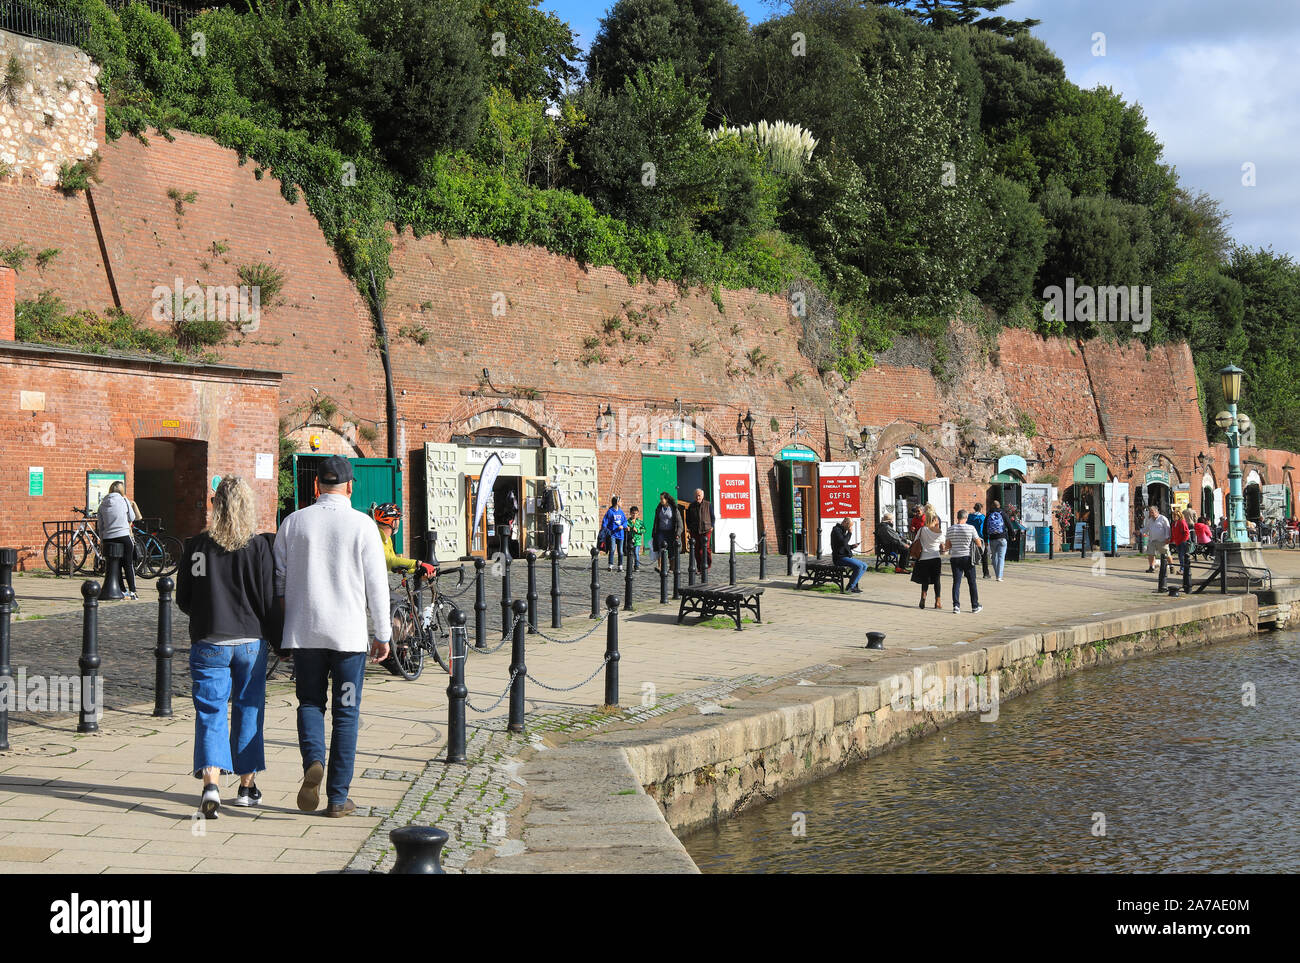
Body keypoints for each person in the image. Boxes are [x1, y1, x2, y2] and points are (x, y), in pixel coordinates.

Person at [274, 456, 391, 818]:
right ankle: (338, 797)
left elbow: (278, 579)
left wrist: (283, 627)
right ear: (351, 486)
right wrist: (383, 633)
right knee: (346, 714)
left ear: (316, 486)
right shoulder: (363, 526)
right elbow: (377, 585)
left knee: (309, 703)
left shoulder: (293, 523)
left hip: (306, 634)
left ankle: (313, 760)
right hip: (348, 641)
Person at [177, 476, 279, 817]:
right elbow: (267, 599)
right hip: (250, 641)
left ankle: (211, 783)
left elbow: (184, 599)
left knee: (211, 712)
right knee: (249, 709)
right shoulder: (259, 547)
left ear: (214, 505)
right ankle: (247, 787)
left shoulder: (196, 547)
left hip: (209, 640)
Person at [96, 481, 138, 600]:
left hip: (109, 538)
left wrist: (102, 540)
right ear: (122, 491)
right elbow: (132, 517)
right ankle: (133, 592)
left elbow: (101, 526)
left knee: (116, 565)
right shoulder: (124, 500)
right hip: (123, 535)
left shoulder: (102, 504)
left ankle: (122, 590)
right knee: (128, 564)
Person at [370, 503, 436, 577]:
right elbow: (388, 561)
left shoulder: (387, 538)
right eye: (398, 519)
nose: (399, 522)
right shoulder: (376, 537)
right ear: (392, 522)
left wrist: (418, 570)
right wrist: (418, 563)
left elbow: (394, 563)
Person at [944, 509, 984, 615]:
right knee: (972, 582)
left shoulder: (950, 529)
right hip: (967, 558)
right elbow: (978, 541)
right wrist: (980, 551)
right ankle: (975, 606)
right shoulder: (971, 528)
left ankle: (956, 606)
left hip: (955, 557)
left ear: (957, 517)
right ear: (966, 518)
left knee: (956, 582)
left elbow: (947, 546)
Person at [910, 509, 944, 609]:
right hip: (935, 557)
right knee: (937, 580)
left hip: (924, 558)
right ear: (935, 520)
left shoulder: (922, 529)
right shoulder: (939, 531)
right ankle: (937, 601)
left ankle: (923, 597)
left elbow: (916, 540)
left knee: (925, 580)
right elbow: (943, 546)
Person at [830, 517, 867, 593]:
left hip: (845, 556)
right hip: (839, 558)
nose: (850, 528)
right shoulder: (836, 530)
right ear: (845, 523)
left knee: (864, 565)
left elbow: (843, 544)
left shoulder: (842, 531)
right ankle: (850, 587)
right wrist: (850, 533)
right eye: (850, 525)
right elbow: (843, 542)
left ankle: (852, 585)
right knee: (859, 566)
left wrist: (852, 546)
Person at [651, 491, 683, 572]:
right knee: (660, 548)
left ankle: (671, 567)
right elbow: (656, 521)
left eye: (662, 499)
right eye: (660, 499)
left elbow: (679, 523)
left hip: (671, 532)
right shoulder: (658, 509)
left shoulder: (674, 509)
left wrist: (678, 533)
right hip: (661, 531)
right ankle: (660, 566)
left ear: (667, 499)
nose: (661, 500)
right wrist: (654, 532)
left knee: (671, 550)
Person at [685, 488, 715, 576]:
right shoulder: (691, 506)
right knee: (697, 550)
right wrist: (690, 527)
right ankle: (699, 567)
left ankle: (707, 566)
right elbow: (688, 519)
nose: (698, 497)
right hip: (695, 530)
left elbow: (712, 516)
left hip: (706, 529)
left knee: (706, 548)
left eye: (699, 495)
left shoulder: (708, 504)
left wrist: (712, 526)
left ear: (702, 496)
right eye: (696, 495)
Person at [599, 496, 628, 571]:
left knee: (620, 551)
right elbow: (605, 521)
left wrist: (623, 526)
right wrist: (604, 530)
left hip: (620, 535)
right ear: (617, 503)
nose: (622, 503)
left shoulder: (621, 512)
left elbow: (625, 521)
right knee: (612, 549)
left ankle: (620, 565)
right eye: (620, 501)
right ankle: (610, 565)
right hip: (612, 534)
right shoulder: (610, 511)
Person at [1141, 504, 1171, 573]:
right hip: (1152, 540)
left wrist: (1167, 537)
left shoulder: (1163, 518)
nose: (1151, 514)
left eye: (1152, 512)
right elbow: (1147, 528)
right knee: (1151, 554)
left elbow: (1167, 528)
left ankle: (1171, 566)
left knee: (1166, 554)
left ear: (1156, 512)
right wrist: (1140, 531)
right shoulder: (1150, 520)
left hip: (1162, 540)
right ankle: (1151, 567)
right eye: (1150, 512)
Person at [985, 500, 1008, 581]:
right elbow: (1009, 524)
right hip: (1002, 538)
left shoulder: (988, 514)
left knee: (994, 557)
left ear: (992, 506)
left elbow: (984, 528)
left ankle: (997, 574)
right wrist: (1013, 535)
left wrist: (985, 540)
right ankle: (999, 576)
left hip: (992, 539)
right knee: (1001, 558)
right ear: (999, 505)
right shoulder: (1003, 513)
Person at [968, 502, 989, 579]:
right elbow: (985, 529)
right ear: (981, 509)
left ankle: (968, 573)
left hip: (971, 538)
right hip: (981, 538)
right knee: (984, 555)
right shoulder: (983, 518)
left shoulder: (969, 516)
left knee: (970, 555)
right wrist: (987, 540)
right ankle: (986, 573)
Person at [1170, 507, 1192, 576]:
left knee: (1182, 556)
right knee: (1180, 556)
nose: (1173, 517)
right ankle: (1183, 569)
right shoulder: (1174, 523)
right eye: (1173, 516)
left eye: (1175, 516)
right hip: (1177, 542)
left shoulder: (1182, 522)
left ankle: (1183, 570)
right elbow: (1173, 533)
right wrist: (1171, 540)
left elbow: (1187, 533)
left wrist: (1183, 541)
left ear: (1179, 516)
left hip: (1182, 542)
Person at [626, 506, 645, 572]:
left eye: (636, 513)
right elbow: (625, 529)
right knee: (630, 554)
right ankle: (630, 565)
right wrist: (627, 529)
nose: (634, 515)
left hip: (637, 540)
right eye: (633, 513)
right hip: (630, 540)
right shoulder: (628, 521)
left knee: (636, 553)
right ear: (630, 513)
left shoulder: (640, 522)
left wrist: (638, 530)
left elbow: (644, 530)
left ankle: (636, 566)